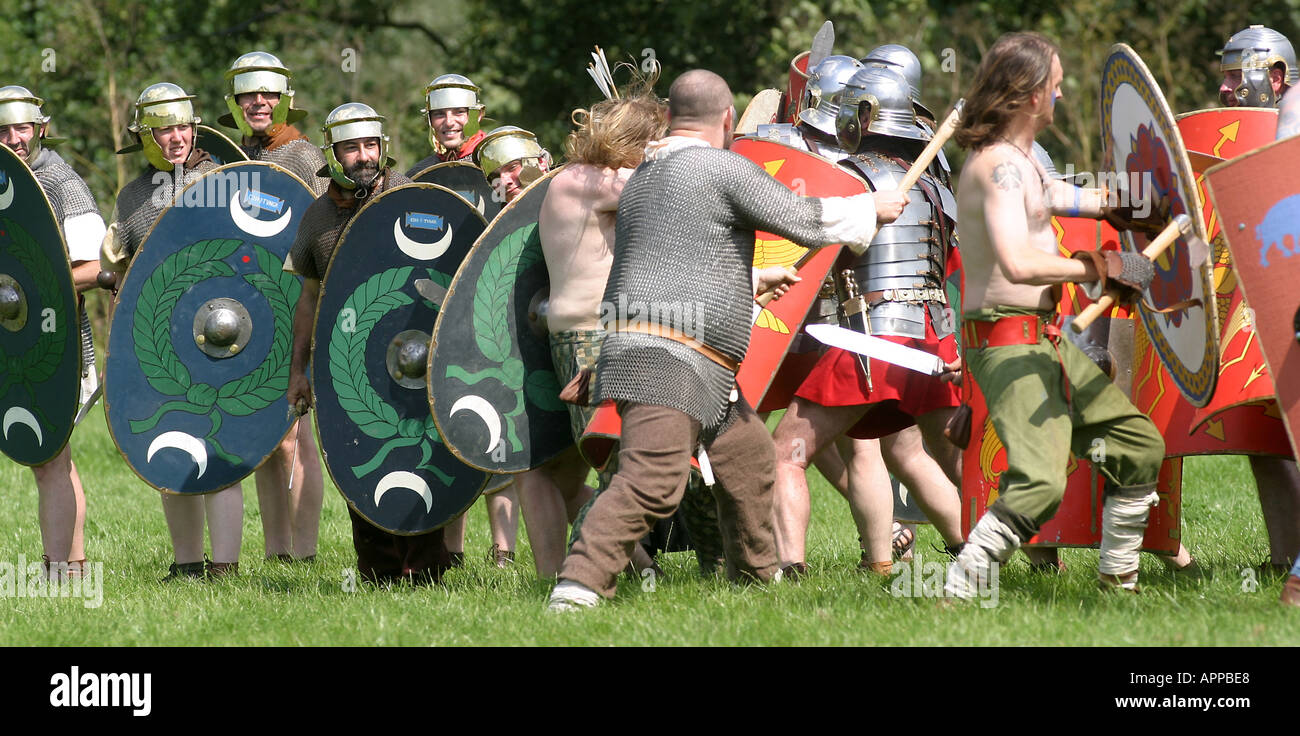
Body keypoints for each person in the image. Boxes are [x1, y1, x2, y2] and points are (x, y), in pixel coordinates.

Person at [547, 69, 907, 610]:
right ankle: (578, 585)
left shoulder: (646, 176)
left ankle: (758, 581)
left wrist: (750, 280)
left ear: (670, 118)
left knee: (750, 462)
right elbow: (798, 217)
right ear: (727, 121)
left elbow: (677, 257)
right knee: (653, 479)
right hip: (669, 356)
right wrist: (869, 209)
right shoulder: (719, 167)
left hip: (686, 359)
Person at [943, 32, 1166, 597]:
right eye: (1056, 85)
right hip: (1007, 342)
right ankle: (959, 588)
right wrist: (1098, 267)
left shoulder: (1023, 165)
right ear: (1029, 94)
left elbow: (1072, 197)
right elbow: (1018, 263)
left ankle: (1119, 581)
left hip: (1043, 340)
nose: (1061, 96)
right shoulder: (999, 168)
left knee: (1137, 445)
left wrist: (1132, 202)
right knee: (1040, 485)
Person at [767, 60, 966, 578]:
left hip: (867, 339)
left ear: (860, 117)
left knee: (785, 453)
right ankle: (1007, 552)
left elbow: (808, 240)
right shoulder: (936, 191)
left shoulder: (848, 180)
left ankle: (790, 568)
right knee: (956, 454)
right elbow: (950, 267)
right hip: (929, 336)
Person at [284, 102, 450, 584]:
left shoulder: (413, 199)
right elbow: (310, 298)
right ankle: (378, 569)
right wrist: (300, 370)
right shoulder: (317, 218)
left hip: (413, 355)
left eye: (371, 144)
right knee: (361, 456)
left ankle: (425, 568)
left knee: (418, 453)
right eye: (351, 147)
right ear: (332, 152)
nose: (363, 156)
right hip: (349, 360)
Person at [100, 83, 244, 580]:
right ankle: (186, 563)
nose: (176, 137)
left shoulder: (224, 180)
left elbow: (249, 259)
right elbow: (121, 276)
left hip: (222, 332)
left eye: (182, 126)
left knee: (221, 442)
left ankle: (224, 565)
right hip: (158, 339)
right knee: (170, 440)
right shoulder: (133, 196)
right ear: (146, 136)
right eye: (164, 128)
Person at [526, 86, 668, 578]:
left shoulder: (592, 179)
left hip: (598, 335)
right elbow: (660, 188)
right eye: (651, 142)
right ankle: (589, 574)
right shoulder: (583, 180)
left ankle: (640, 570)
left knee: (570, 473)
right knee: (619, 466)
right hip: (588, 339)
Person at [218, 51, 325, 562]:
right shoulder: (235, 156)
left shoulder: (304, 157)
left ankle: (303, 552)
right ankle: (276, 550)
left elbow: (326, 228)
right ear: (234, 103)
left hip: (297, 303)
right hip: (249, 308)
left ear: (285, 100)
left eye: (268, 95)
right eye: (248, 95)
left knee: (295, 433)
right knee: (263, 437)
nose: (258, 103)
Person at [0, 85, 107, 581]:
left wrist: (37, 285)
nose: (13, 138)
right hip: (13, 340)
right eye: (3, 129)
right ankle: (63, 564)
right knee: (45, 458)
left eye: (22, 127)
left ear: (40, 127)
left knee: (50, 455)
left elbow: (92, 268)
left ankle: (69, 567)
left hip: (58, 342)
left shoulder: (61, 182)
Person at [1211, 25, 1300, 577]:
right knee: (1268, 431)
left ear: (1275, 76)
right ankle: (1285, 559)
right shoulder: (1252, 129)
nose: (1223, 89)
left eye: (1233, 75)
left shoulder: (1295, 114)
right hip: (1270, 294)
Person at [406, 74, 487, 176]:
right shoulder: (420, 173)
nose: (449, 122)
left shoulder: (499, 164)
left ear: (477, 115)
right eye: (439, 114)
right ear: (429, 119)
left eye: (459, 112)